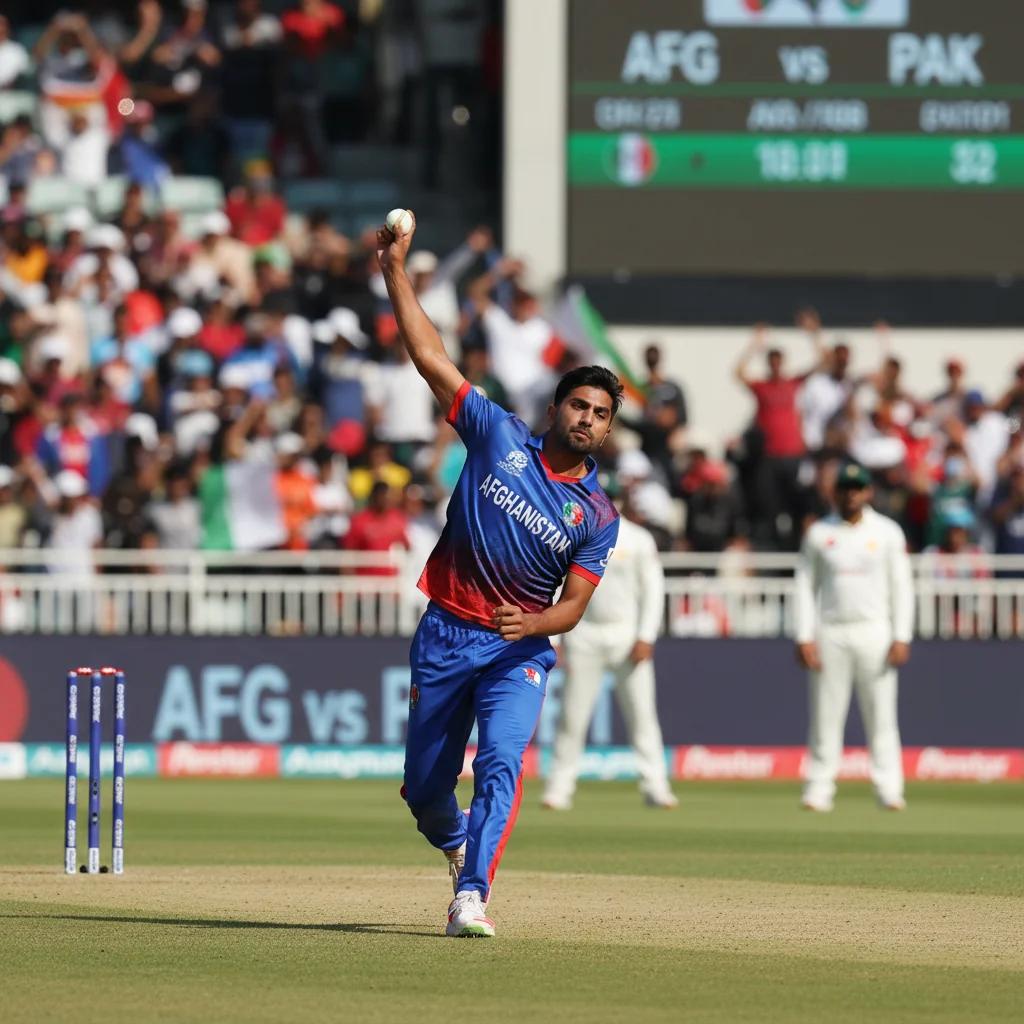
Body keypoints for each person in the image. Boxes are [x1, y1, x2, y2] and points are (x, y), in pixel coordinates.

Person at [376, 209, 621, 939]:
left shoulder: (599, 516)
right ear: (555, 407)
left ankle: (471, 896)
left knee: (502, 766)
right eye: (578, 404)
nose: (586, 419)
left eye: (600, 414)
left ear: (607, 429)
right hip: (448, 631)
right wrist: (394, 271)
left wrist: (535, 624)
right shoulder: (495, 434)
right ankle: (452, 846)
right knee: (425, 790)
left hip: (518, 650)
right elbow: (430, 356)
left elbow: (573, 606)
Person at [794, 463, 914, 813]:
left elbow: (902, 587)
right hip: (831, 630)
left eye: (857, 488)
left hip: (874, 630)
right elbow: (804, 587)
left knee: (881, 716)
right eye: (845, 488)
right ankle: (819, 788)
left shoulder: (888, 532)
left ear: (868, 492)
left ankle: (889, 789)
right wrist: (804, 635)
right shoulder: (819, 533)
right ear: (835, 492)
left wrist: (902, 634)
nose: (851, 493)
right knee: (825, 715)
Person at [542, 508, 675, 811]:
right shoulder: (578, 531)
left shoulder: (638, 538)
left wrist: (646, 635)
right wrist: (555, 638)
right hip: (582, 634)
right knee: (572, 717)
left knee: (642, 715)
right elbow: (559, 584)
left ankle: (656, 787)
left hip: (626, 634)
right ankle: (559, 789)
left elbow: (653, 589)